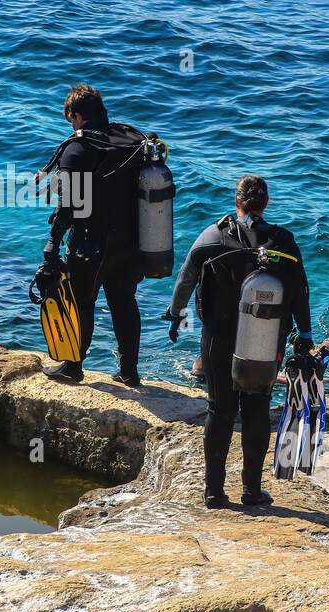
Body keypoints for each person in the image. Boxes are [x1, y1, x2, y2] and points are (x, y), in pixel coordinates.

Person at [161, 175, 312, 508]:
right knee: (256, 405)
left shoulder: (212, 234)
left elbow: (186, 277)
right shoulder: (283, 241)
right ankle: (252, 492)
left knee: (220, 410)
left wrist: (174, 314)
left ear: (237, 201)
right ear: (266, 203)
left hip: (218, 338)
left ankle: (214, 493)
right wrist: (305, 335)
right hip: (263, 339)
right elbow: (300, 291)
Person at [37, 85, 143, 386]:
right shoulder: (129, 140)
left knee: (82, 302)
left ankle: (72, 366)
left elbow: (68, 204)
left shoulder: (77, 149)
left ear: (78, 116)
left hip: (91, 244)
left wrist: (52, 244)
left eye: (71, 119)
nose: (71, 126)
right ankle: (129, 371)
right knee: (124, 302)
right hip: (131, 240)